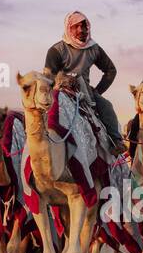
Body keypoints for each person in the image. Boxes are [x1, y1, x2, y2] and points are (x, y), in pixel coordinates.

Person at [43, 11, 123, 149]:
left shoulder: (93, 49)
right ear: (69, 28)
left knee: (106, 106)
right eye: (76, 26)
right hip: (60, 93)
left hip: (85, 94)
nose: (81, 30)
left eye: (83, 26)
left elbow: (111, 70)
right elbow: (48, 79)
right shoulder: (57, 50)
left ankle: (116, 142)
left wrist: (97, 91)